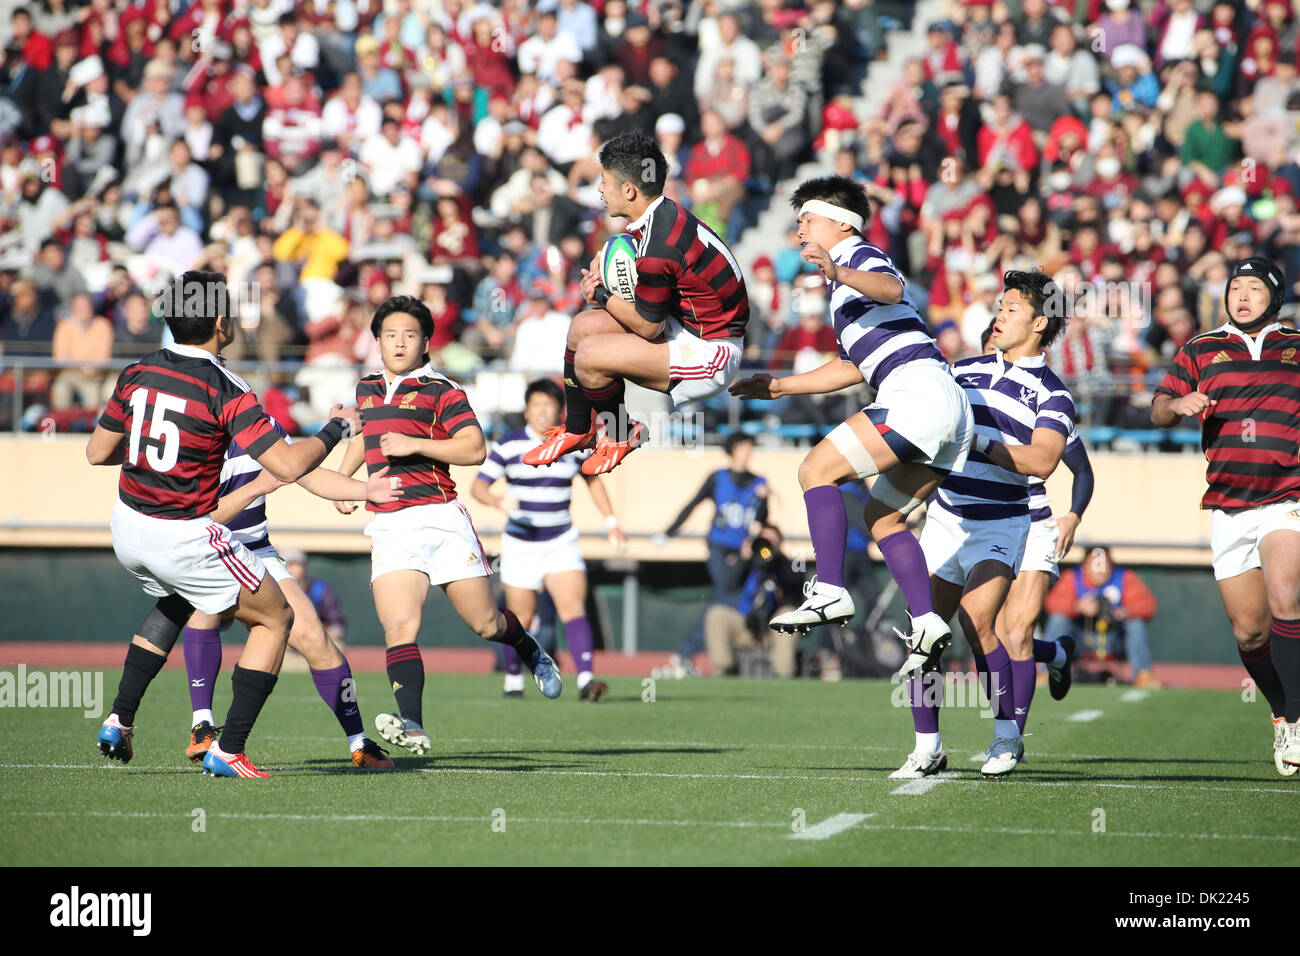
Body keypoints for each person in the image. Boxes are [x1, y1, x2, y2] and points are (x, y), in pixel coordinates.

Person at [85, 270, 362, 779]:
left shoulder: (137, 371)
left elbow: (97, 451)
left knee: (179, 599)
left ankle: (119, 720)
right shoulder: (225, 385)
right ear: (219, 322)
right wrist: (337, 428)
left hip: (127, 527)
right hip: (182, 532)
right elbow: (287, 466)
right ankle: (227, 747)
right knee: (276, 618)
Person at [728, 175, 973, 673]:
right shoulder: (843, 285)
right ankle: (927, 619)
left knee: (815, 471)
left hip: (917, 393)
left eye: (807, 220)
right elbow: (851, 368)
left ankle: (830, 590)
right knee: (882, 518)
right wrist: (778, 387)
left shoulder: (859, 255)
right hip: (945, 406)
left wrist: (839, 268)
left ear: (841, 223)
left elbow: (892, 285)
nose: (799, 232)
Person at [331, 296, 563, 755]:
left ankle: (528, 646)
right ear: (376, 341)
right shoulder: (367, 388)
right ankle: (412, 723)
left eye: (409, 335)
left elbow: (474, 449)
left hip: (440, 518)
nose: (399, 342)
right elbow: (367, 437)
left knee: (486, 623)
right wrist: (344, 481)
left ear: (425, 343)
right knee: (399, 626)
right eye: (390, 334)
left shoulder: (443, 389)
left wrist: (414, 443)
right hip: (390, 524)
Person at [897, 269, 1073, 779]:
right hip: (947, 518)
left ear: (1040, 322)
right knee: (923, 634)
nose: (999, 315)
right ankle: (927, 746)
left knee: (978, 622)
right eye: (999, 306)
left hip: (1000, 523)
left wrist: (979, 443)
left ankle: (1006, 736)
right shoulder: (961, 370)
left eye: (1011, 308)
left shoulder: (1054, 394)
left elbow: (1042, 462)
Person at [522, 131, 750, 477]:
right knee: (581, 327)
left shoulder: (658, 248)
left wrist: (601, 294)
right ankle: (578, 429)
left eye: (604, 182)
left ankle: (621, 433)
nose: (599, 190)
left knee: (590, 357)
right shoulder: (663, 213)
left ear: (629, 190)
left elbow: (648, 325)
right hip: (689, 324)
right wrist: (610, 263)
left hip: (712, 352)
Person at [181, 417, 401, 770]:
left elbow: (309, 475)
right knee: (204, 611)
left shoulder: (262, 427)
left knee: (315, 636)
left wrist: (363, 490)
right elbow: (199, 518)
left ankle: (359, 743)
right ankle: (201, 726)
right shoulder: (190, 430)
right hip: (204, 547)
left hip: (257, 550)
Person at [1151, 256, 1300, 776]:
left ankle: (1299, 718)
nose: (1241, 295)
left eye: (1254, 288)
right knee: (1250, 635)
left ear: (1274, 299)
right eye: (1235, 287)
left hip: (1287, 497)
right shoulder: (1200, 348)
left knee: (1287, 597)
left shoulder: (1296, 347)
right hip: (1229, 504)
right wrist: (1180, 403)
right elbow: (1158, 407)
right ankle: (1282, 711)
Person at [471, 378, 627, 701]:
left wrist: (612, 523)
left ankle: (586, 680)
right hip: (520, 543)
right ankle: (513, 679)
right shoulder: (509, 445)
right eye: (536, 405)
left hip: (561, 539)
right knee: (521, 617)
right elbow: (478, 487)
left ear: (560, 409)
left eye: (549, 405)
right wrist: (499, 501)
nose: (542, 411)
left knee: (572, 607)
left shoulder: (575, 443)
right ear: (526, 411)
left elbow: (594, 482)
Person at [978, 321, 1096, 723]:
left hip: (1034, 523)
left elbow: (1083, 470)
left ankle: (1012, 737)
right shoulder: (967, 393)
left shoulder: (1044, 402)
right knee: (991, 628)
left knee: (1017, 630)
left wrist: (1072, 517)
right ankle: (1058, 653)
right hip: (982, 521)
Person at [656, 433, 768, 671]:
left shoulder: (759, 482)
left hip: (744, 551)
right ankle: (687, 653)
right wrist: (669, 531)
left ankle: (689, 655)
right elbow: (693, 503)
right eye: (743, 446)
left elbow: (762, 521)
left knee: (725, 600)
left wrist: (764, 502)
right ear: (733, 449)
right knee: (725, 596)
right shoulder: (718, 478)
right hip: (719, 547)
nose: (748, 451)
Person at [1043, 546, 1158, 687]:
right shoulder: (1072, 578)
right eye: (1094, 564)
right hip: (1081, 639)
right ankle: (1047, 673)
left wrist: (1125, 612)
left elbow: (1147, 604)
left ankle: (1142, 675)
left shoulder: (1125, 578)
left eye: (1103, 564)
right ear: (1085, 566)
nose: (1099, 569)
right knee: (1058, 620)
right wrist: (1077, 606)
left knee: (1135, 624)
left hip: (1114, 639)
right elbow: (1052, 603)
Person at [704, 524, 805, 679]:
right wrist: (745, 559)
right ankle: (724, 670)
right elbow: (729, 584)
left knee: (789, 616)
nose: (767, 545)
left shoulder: (788, 566)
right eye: (764, 540)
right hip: (747, 626)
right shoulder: (750, 565)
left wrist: (777, 560)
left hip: (774, 630)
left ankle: (784, 674)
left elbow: (795, 586)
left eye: (772, 541)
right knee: (716, 614)